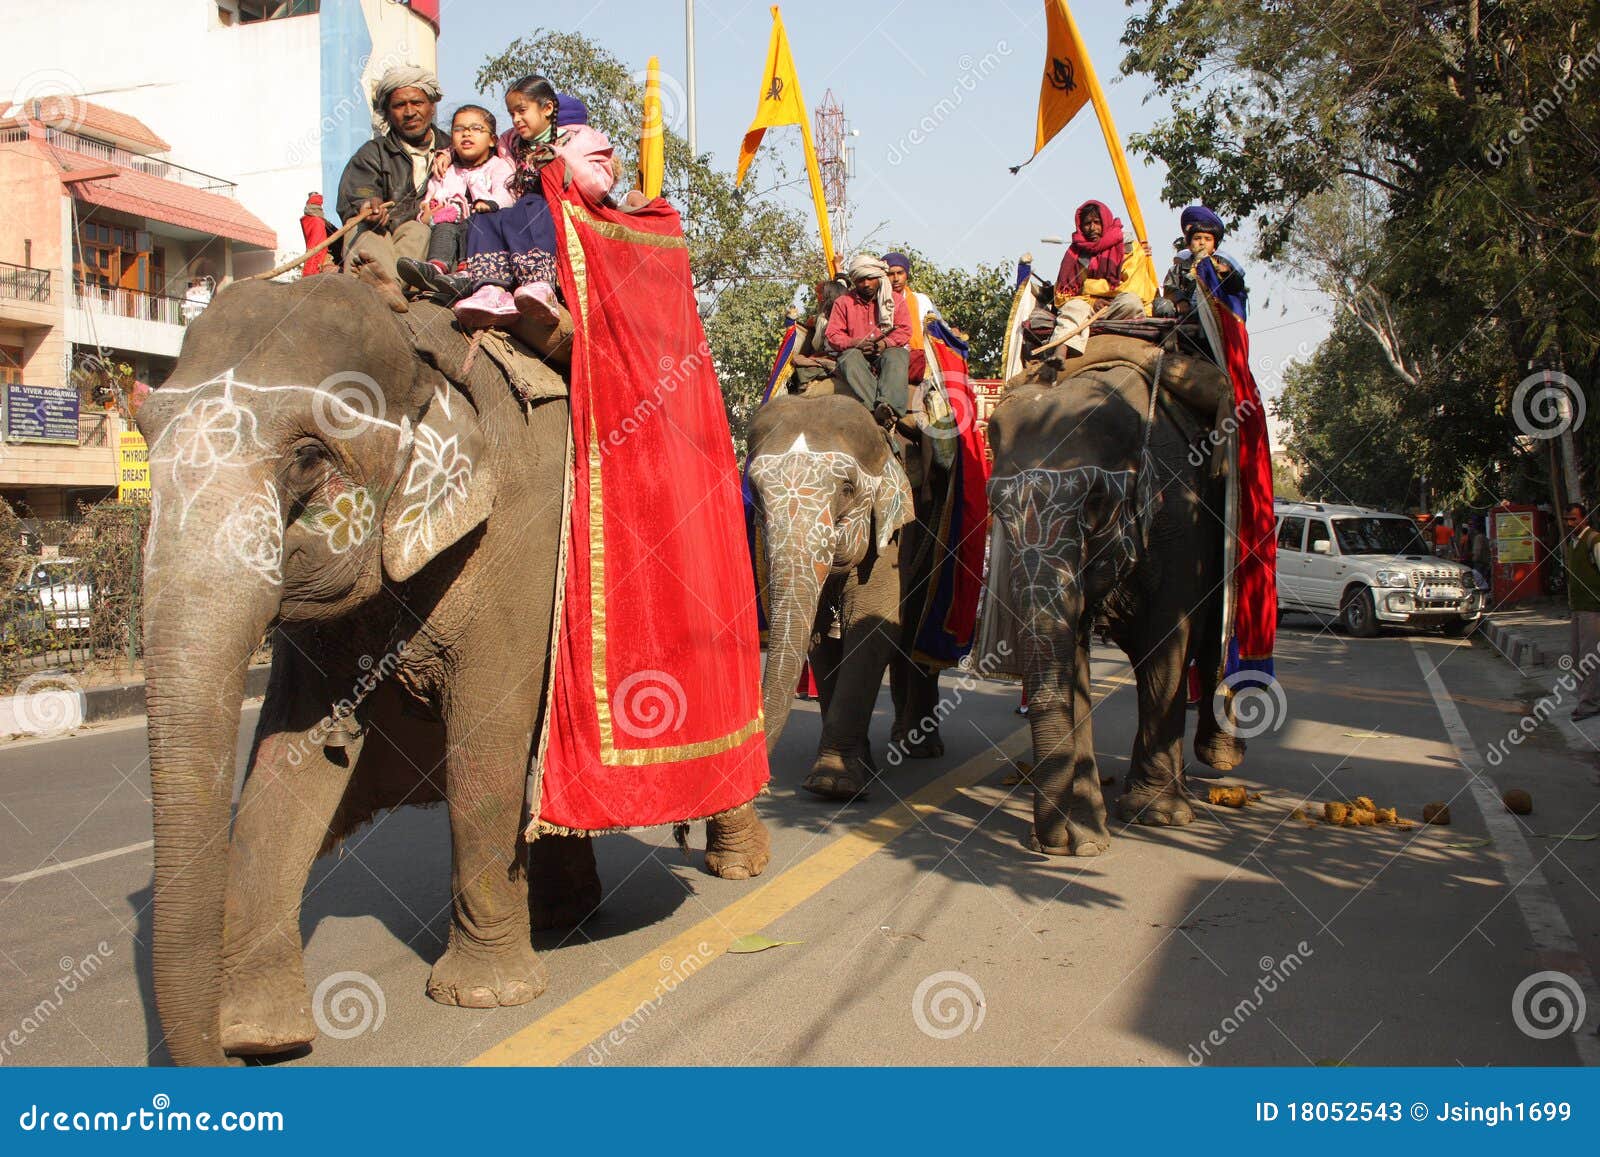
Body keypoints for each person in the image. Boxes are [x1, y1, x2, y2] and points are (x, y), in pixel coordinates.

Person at [451, 76, 615, 329]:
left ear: (547, 108)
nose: (516, 119)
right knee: (484, 217)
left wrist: (560, 157)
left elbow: (598, 186)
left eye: (522, 111)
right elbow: (503, 177)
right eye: (511, 113)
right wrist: (448, 154)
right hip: (519, 211)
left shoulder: (580, 139)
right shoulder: (511, 141)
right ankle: (491, 288)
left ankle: (540, 284)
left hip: (560, 215)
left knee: (531, 205)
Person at [337, 65, 450, 278]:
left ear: (432, 106)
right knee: (361, 230)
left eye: (417, 103)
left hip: (430, 246)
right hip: (383, 238)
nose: (409, 112)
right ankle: (385, 286)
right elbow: (359, 191)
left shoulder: (454, 150)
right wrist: (368, 205)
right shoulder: (372, 153)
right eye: (399, 105)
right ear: (388, 112)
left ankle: (390, 286)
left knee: (418, 231)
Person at [395, 104, 515, 301]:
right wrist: (426, 214)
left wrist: (490, 204)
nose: (466, 134)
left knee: (474, 225)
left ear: (493, 140)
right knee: (444, 227)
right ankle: (436, 267)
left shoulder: (498, 166)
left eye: (476, 129)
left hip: (481, 230)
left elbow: (506, 194)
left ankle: (467, 271)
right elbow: (431, 199)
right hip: (449, 225)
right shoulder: (446, 170)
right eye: (459, 129)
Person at [1046, 200, 1155, 358]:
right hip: (1087, 311)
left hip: (1119, 308)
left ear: (1106, 221)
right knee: (1073, 307)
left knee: (1131, 301)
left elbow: (1132, 288)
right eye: (1087, 224)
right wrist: (1092, 302)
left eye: (1097, 222)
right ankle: (1061, 348)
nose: (1092, 228)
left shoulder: (1130, 247)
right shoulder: (1075, 253)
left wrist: (1087, 287)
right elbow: (1063, 295)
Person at [825, 253, 911, 427]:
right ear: (854, 281)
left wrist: (884, 344)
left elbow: (904, 330)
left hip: (886, 351)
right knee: (848, 358)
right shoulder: (843, 302)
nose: (866, 284)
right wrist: (854, 343)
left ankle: (889, 405)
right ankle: (877, 410)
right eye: (860, 280)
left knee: (897, 356)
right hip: (858, 353)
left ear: (879, 277)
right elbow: (833, 334)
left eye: (870, 278)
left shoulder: (896, 301)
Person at [1563, 504, 1600, 719]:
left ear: (1584, 519)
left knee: (1588, 658)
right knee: (1576, 657)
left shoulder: (1592, 540)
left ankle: (1589, 704)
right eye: (1567, 519)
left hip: (1592, 609)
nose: (1570, 524)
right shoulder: (1573, 543)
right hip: (1578, 608)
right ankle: (1586, 700)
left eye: (1574, 519)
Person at [1178, 205, 1248, 304]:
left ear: (1214, 245)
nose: (1202, 243)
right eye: (1197, 238)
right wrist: (1180, 301)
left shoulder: (1222, 261)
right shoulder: (1181, 264)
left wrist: (1227, 272)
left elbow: (1236, 287)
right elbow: (1172, 287)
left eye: (1207, 239)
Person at [299, 193, 331, 275]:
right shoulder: (317, 221)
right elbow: (317, 243)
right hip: (317, 256)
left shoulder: (308, 219)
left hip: (311, 254)